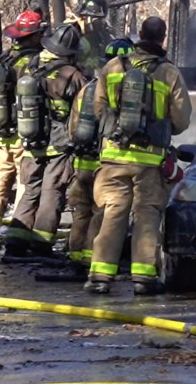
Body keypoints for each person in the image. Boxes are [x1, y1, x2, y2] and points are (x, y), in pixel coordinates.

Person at [86, 17, 191, 296]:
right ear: (163, 38)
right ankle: (144, 278)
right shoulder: (170, 73)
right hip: (151, 161)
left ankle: (100, 276)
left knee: (112, 213)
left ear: (140, 35)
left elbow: (98, 110)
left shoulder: (113, 67)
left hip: (113, 156)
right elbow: (181, 121)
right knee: (147, 215)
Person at [3, 24, 90, 258]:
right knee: (53, 190)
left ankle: (15, 242)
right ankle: (41, 243)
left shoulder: (31, 66)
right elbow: (87, 108)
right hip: (60, 143)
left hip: (31, 139)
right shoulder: (72, 75)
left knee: (30, 190)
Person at [0, 10, 43, 246]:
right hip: (26, 135)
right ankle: (18, 231)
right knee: (26, 183)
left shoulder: (2, 60)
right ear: (34, 36)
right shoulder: (38, 62)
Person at [65, 38, 133, 268]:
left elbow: (73, 125)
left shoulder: (87, 88)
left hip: (83, 159)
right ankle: (89, 256)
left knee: (81, 209)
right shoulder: (130, 89)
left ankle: (74, 253)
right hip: (105, 161)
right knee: (100, 210)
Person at [66, 0, 112, 72]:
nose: (100, 23)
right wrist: (88, 62)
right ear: (88, 18)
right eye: (98, 19)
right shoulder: (70, 33)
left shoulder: (99, 32)